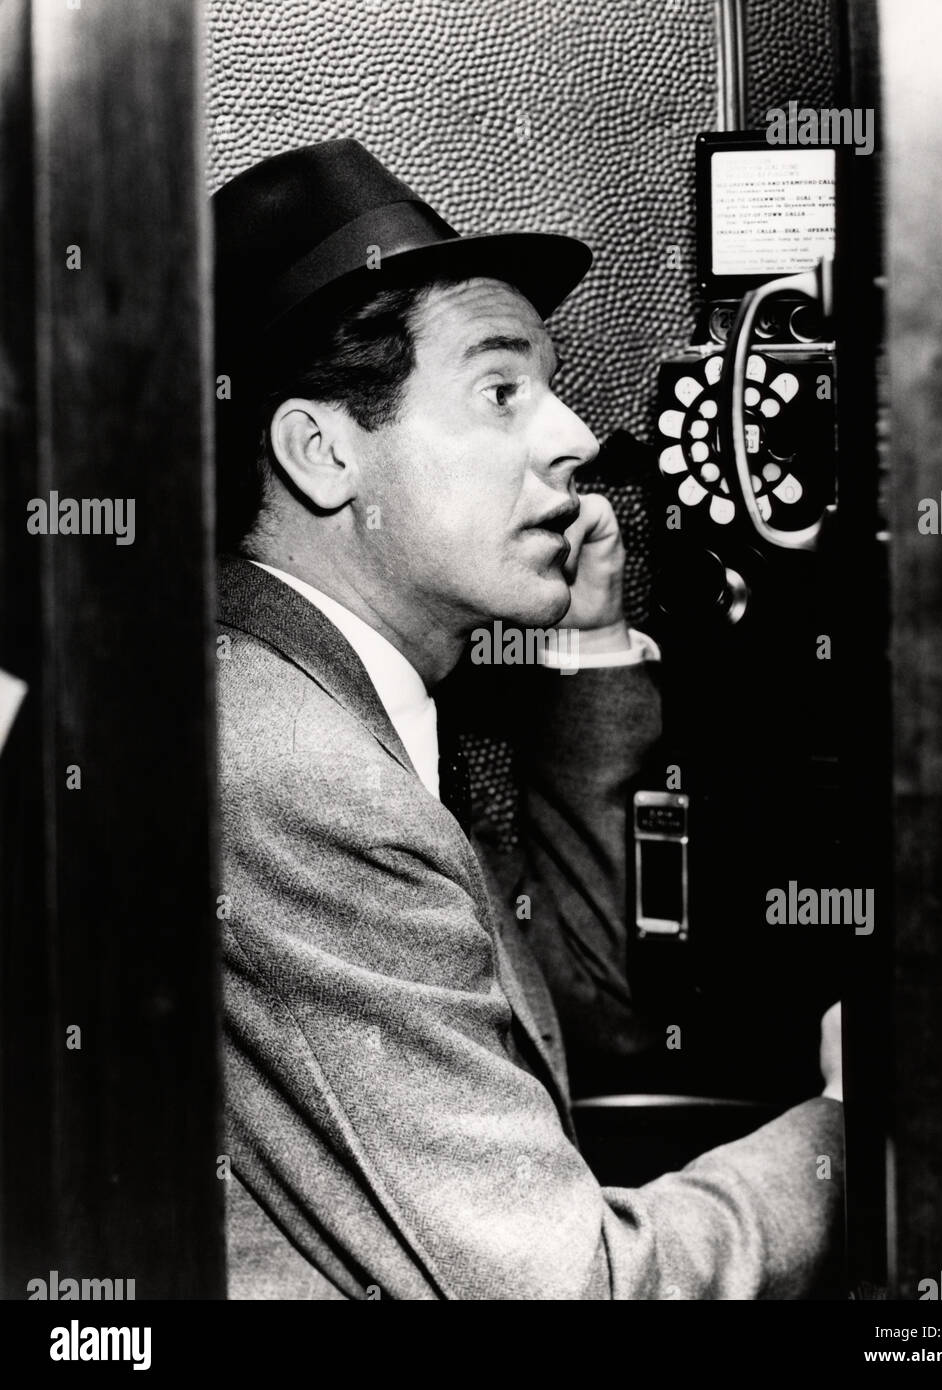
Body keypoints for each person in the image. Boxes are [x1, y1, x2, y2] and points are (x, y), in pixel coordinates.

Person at [213, 137, 843, 1300]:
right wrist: (857, 1130)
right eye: (502, 389)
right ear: (321, 452)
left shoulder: (315, 696)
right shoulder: (289, 771)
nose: (573, 438)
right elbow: (578, 1292)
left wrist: (586, 648)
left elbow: (581, 1012)